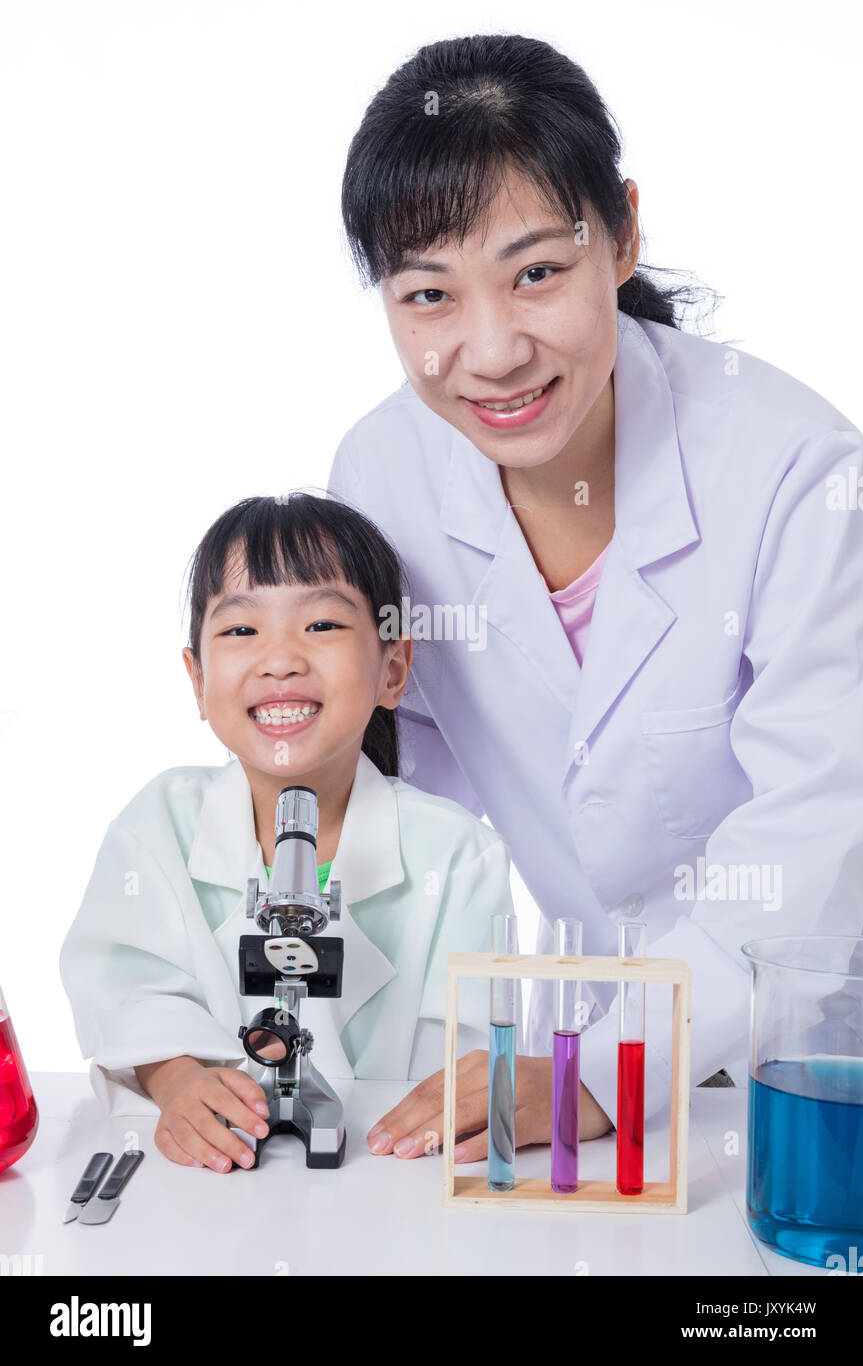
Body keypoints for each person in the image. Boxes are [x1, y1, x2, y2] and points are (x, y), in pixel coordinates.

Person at [328, 32, 863, 1160]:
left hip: (814, 1055)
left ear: (618, 235)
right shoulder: (384, 476)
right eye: (428, 293)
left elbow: (819, 834)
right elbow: (410, 815)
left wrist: (594, 1076)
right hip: (567, 1057)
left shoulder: (794, 471)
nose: (489, 351)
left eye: (535, 272)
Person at [60, 493, 521, 1172]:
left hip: (388, 1187)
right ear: (197, 680)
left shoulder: (456, 858)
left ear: (393, 669)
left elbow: (467, 1074)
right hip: (213, 1207)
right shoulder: (158, 826)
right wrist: (178, 1081)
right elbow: (127, 996)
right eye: (241, 632)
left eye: (323, 624)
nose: (279, 661)